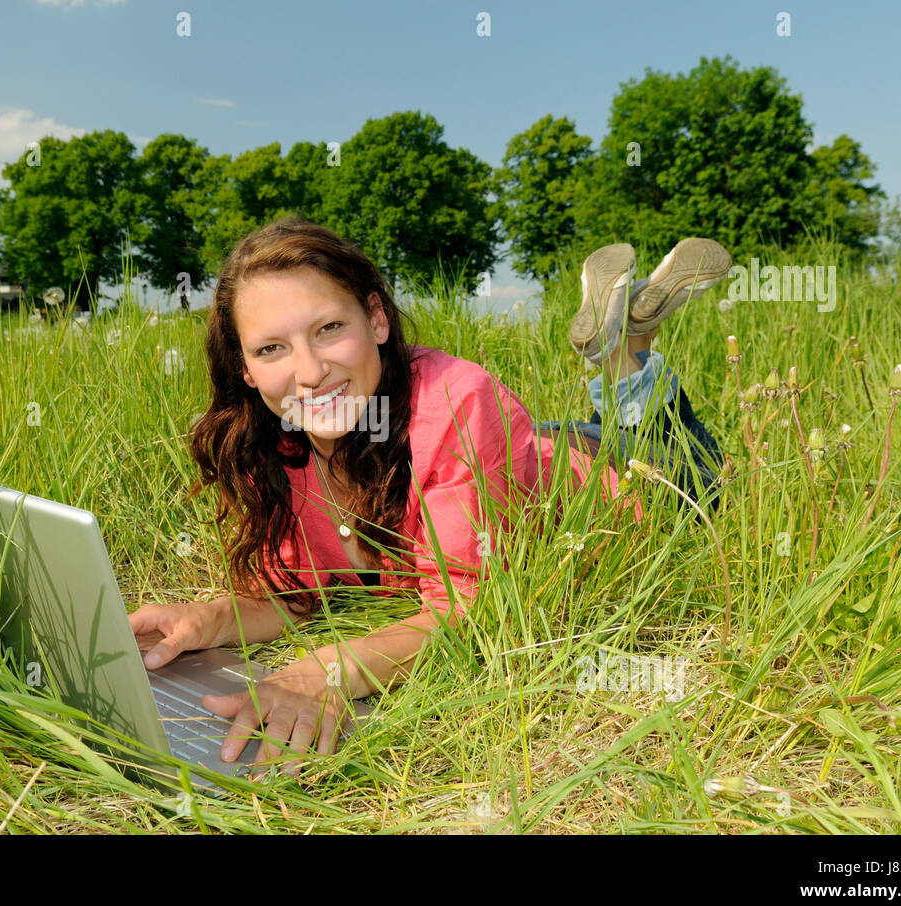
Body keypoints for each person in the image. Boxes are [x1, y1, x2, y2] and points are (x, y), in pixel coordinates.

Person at [126, 216, 730, 778]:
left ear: (377, 320)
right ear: (247, 370)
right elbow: (293, 595)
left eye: (328, 329)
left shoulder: (458, 401)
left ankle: (627, 349)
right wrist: (207, 619)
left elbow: (468, 609)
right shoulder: (274, 443)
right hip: (511, 451)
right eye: (271, 349)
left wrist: (328, 671)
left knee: (696, 457)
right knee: (567, 428)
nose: (308, 372)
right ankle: (628, 338)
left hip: (625, 478)